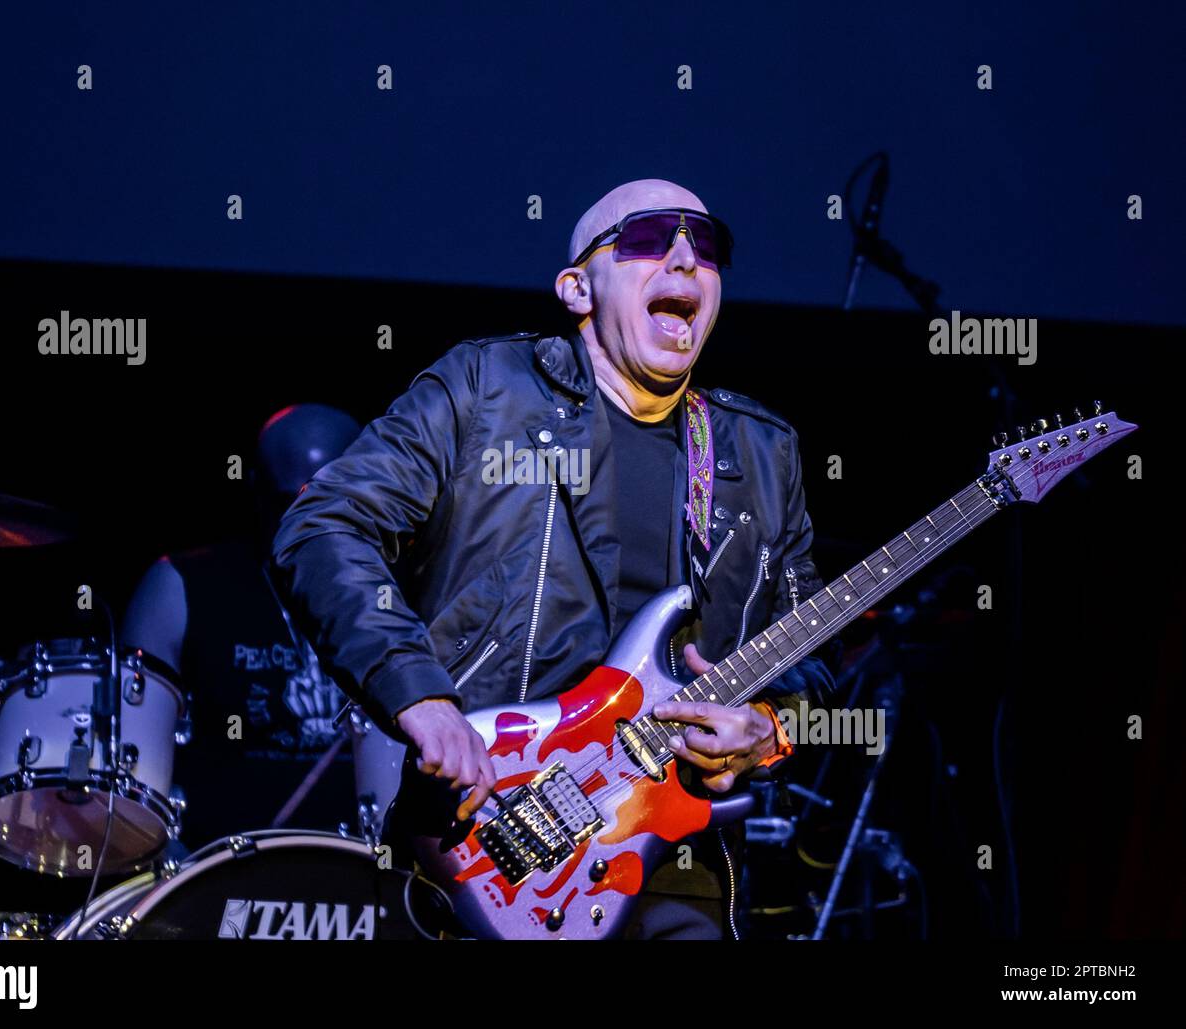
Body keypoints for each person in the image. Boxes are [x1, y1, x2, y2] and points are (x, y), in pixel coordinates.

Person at [271, 179, 839, 938]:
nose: (683, 258)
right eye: (647, 238)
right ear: (577, 286)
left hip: (673, 864)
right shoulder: (484, 392)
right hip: (490, 842)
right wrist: (419, 694)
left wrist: (768, 728)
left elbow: (809, 658)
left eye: (706, 247)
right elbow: (324, 525)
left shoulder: (761, 453)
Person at [122, 404, 361, 850]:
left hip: (373, 873)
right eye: (287, 504)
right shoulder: (180, 585)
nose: (303, 526)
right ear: (255, 491)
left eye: (325, 505)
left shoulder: (409, 590)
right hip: (217, 871)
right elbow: (133, 777)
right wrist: (169, 875)